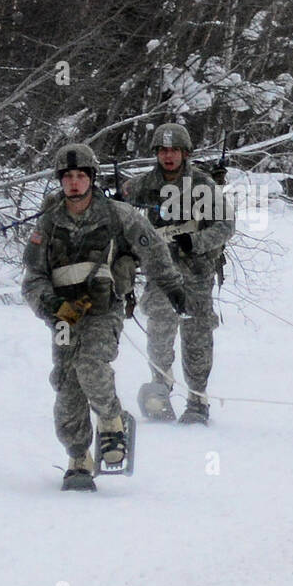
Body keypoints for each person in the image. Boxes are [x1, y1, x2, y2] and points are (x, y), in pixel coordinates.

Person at [22, 143, 188, 490]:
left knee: (91, 365)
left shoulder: (117, 215)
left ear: (91, 178)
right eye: (67, 177)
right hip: (64, 317)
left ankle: (112, 422)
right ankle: (78, 457)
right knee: (67, 388)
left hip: (103, 310)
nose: (74, 183)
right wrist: (53, 307)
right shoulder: (48, 224)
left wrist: (173, 288)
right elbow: (32, 279)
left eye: (81, 175)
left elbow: (152, 249)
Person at [121, 123, 235, 425]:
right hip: (160, 272)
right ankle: (160, 389)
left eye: (173, 150)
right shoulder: (142, 185)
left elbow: (225, 226)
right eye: (162, 150)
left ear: (185, 153)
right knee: (159, 333)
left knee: (197, 336)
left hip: (195, 272)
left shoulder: (203, 185)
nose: (168, 156)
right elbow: (121, 217)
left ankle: (197, 399)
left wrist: (195, 242)